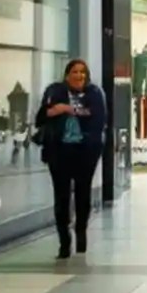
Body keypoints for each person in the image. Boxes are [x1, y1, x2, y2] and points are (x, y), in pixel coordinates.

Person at [34, 59, 107, 259]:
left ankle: (81, 232)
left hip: (85, 152)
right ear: (67, 75)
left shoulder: (95, 93)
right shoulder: (55, 91)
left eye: (82, 72)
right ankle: (64, 241)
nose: (79, 76)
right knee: (62, 196)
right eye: (75, 72)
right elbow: (41, 116)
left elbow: (98, 118)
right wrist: (56, 110)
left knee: (83, 195)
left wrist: (67, 110)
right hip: (59, 151)